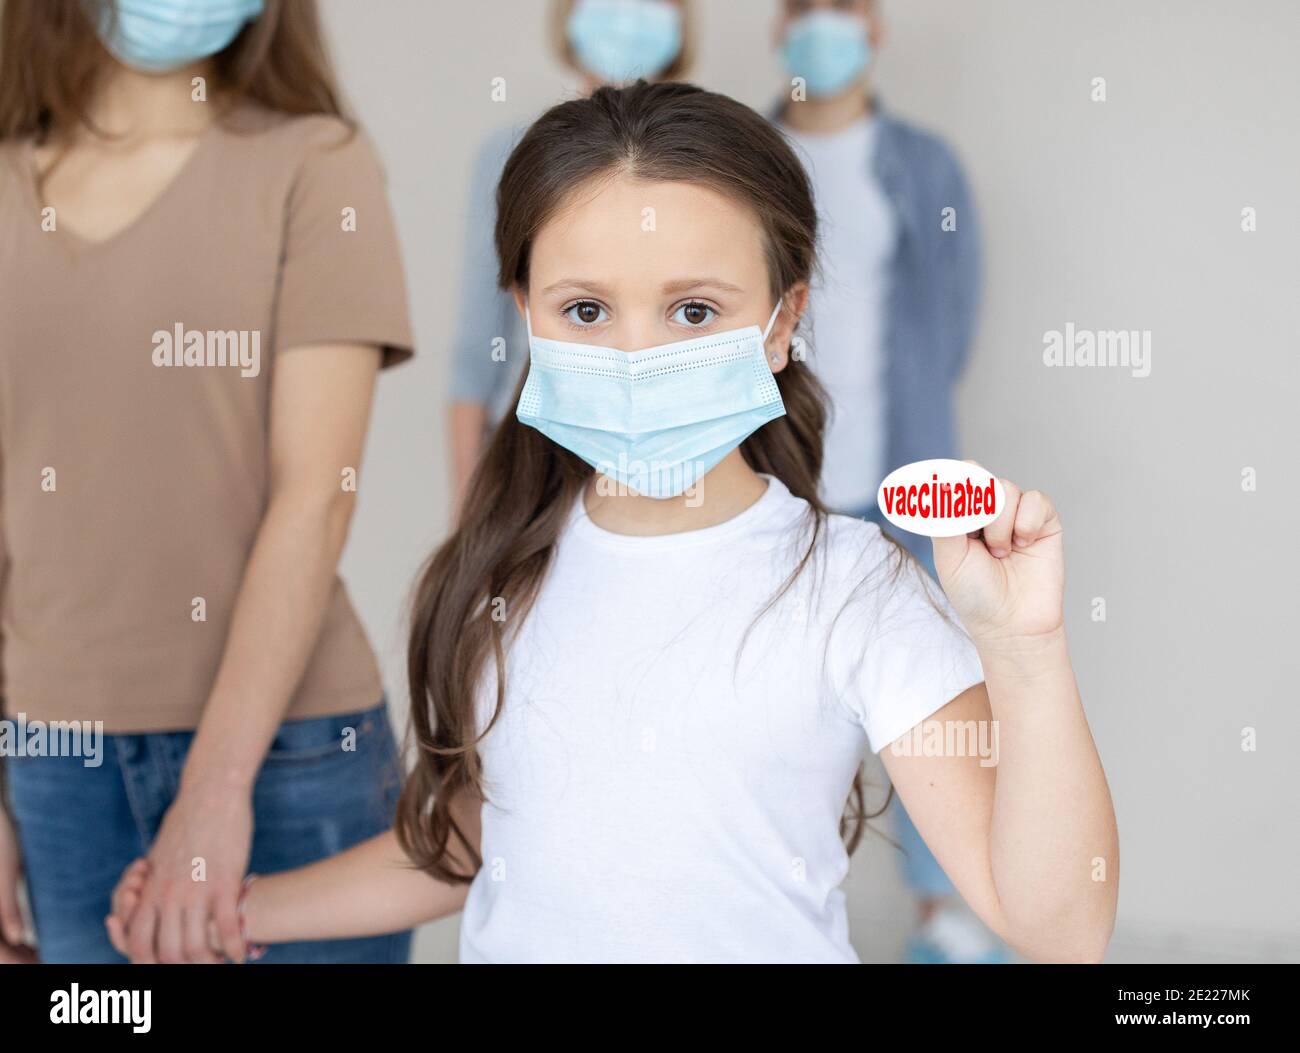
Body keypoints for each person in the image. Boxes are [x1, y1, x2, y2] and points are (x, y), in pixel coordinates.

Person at [109, 81, 1118, 965]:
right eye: (585, 310)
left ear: (780, 321)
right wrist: (232, 910)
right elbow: (475, 843)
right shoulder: (500, 570)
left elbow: (1060, 927)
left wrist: (1023, 650)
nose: (637, 354)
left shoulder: (852, 586)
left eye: (693, 311)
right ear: (524, 313)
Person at [0, 0, 413, 964]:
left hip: (294, 751)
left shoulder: (318, 163)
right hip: (53, 758)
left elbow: (317, 492)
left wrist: (216, 791)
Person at [773, 0, 996, 962]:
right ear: (780, 27)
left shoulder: (924, 163)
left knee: (934, 694)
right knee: (776, 692)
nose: (823, 24)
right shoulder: (743, 149)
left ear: (875, 30)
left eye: (844, 8)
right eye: (804, 9)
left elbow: (951, 317)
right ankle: (773, 895)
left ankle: (946, 915)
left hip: (906, 475)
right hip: (776, 474)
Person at [448, 0, 694, 506]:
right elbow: (478, 350)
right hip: (536, 457)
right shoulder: (509, 154)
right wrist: (468, 508)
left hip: (676, 446)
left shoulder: (714, 160)